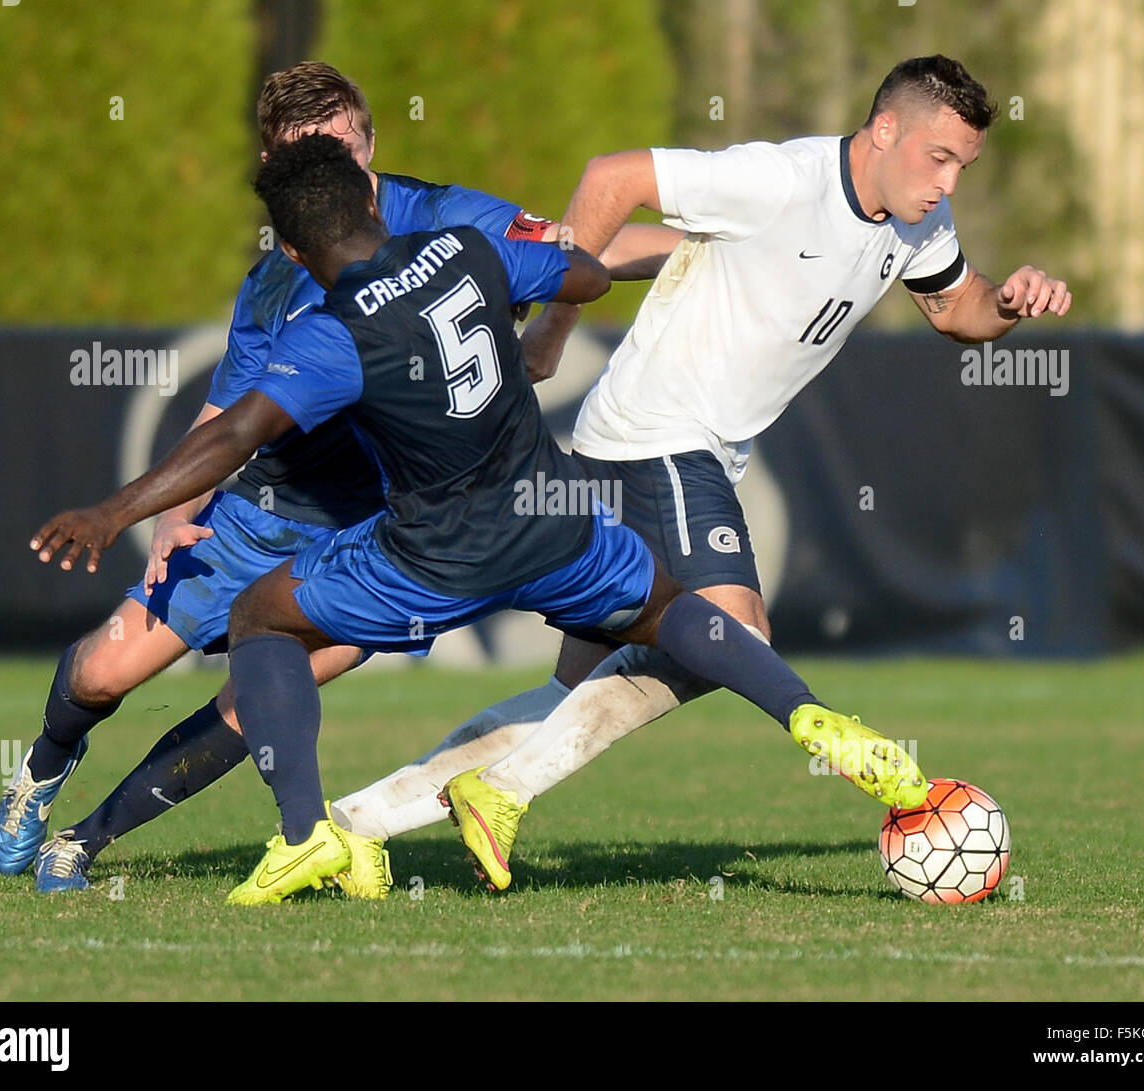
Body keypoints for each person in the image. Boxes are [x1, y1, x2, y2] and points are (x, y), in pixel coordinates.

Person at [30, 134, 926, 904]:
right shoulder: (468, 248)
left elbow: (233, 434)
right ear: (372, 203)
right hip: (556, 527)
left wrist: (114, 510)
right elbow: (582, 268)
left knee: (259, 614)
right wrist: (521, 308)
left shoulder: (331, 333)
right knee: (668, 609)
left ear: (297, 255)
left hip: (434, 558)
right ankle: (807, 713)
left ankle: (306, 830)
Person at [334, 53, 1072, 892]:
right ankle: (502, 789)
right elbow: (612, 177)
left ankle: (363, 819)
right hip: (659, 435)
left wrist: (1007, 303)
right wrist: (553, 320)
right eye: (938, 158)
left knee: (575, 693)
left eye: (962, 168)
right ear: (885, 129)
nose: (947, 183)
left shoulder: (916, 226)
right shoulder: (778, 179)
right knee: (731, 632)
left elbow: (957, 309)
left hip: (671, 444)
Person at [0, 61, 674, 895]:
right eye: (300, 155)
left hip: (382, 532)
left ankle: (84, 842)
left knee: (252, 704)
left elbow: (576, 248)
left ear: (372, 145)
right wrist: (173, 513)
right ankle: (39, 771)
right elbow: (230, 413)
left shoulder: (447, 217)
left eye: (339, 147)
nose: (324, 169)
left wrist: (714, 253)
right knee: (103, 673)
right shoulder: (279, 267)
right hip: (268, 508)